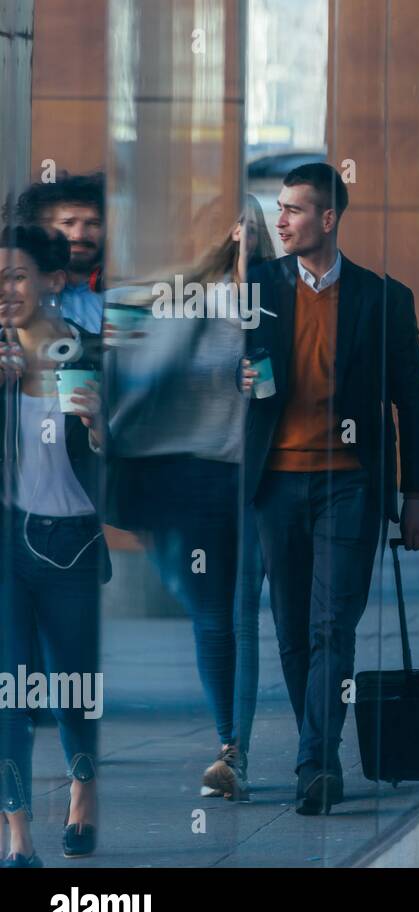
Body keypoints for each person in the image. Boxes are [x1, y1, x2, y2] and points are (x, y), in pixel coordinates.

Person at [239, 163, 419, 814]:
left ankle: (316, 764)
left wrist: (416, 494)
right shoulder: (258, 287)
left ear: (329, 218)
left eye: (295, 209)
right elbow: (225, 371)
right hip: (275, 482)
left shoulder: (383, 300)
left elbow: (413, 399)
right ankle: (316, 747)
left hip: (349, 482)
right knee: (293, 631)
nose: (282, 219)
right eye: (279, 208)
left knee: (331, 626)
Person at [104, 195, 274, 800]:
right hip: (195, 480)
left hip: (254, 479)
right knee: (212, 617)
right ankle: (229, 743)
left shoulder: (270, 308)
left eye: (260, 227)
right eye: (242, 225)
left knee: (242, 614)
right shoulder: (188, 300)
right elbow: (120, 328)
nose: (250, 235)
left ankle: (238, 751)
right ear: (227, 236)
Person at [0, 226, 110, 866]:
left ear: (52, 281)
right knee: (10, 692)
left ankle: (84, 791)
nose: (5, 291)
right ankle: (17, 839)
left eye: (16, 276)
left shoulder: (89, 354)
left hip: (69, 541)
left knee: (70, 688)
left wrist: (100, 426)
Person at [17, 174, 106, 337]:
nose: (79, 235)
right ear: (41, 229)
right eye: (68, 223)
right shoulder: (19, 294)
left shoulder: (121, 294)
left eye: (93, 224)